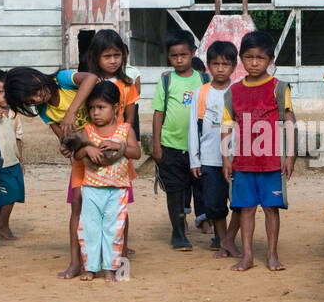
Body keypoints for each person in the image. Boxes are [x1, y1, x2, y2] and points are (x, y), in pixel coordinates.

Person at [2, 65, 98, 278]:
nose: (36, 99)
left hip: (103, 147)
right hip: (83, 157)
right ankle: (75, 262)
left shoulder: (62, 80)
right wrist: (66, 146)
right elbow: (64, 138)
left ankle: (112, 253)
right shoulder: (45, 111)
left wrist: (71, 112)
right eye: (30, 100)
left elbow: (91, 77)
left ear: (37, 77)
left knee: (110, 205)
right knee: (76, 205)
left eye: (35, 92)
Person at [221, 30, 295, 272]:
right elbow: (226, 126)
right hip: (242, 162)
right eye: (249, 57)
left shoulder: (279, 87)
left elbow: (290, 121)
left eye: (260, 58)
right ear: (241, 58)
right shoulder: (232, 92)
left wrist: (291, 155)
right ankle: (248, 256)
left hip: (271, 162)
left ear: (270, 60)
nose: (254, 63)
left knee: (272, 209)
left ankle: (272, 255)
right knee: (246, 209)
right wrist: (225, 159)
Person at [75, 81, 140, 281]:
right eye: (92, 108)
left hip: (118, 189)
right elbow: (76, 154)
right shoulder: (86, 130)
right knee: (89, 228)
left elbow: (136, 153)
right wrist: (87, 149)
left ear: (116, 108)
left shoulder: (125, 130)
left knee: (114, 230)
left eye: (101, 107)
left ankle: (110, 268)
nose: (96, 113)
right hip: (91, 188)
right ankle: (90, 267)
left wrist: (118, 146)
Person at [151, 30, 206, 250]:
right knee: (175, 191)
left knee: (204, 188)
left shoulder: (203, 79)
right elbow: (158, 113)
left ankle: (213, 228)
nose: (179, 59)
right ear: (169, 57)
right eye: (174, 56)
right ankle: (178, 233)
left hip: (199, 148)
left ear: (193, 53)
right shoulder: (166, 80)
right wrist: (156, 145)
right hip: (170, 146)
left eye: (184, 54)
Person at [188, 40, 240, 258]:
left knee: (239, 203)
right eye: (215, 64)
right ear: (208, 65)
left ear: (234, 66)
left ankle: (229, 239)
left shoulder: (239, 90)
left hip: (238, 159)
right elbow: (193, 128)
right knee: (215, 205)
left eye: (225, 64)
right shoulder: (201, 93)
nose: (220, 69)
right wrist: (195, 160)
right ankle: (221, 240)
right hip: (210, 158)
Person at [0, 70, 25, 241]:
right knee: (7, 195)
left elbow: (18, 138)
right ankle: (2, 227)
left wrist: (21, 160)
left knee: (13, 194)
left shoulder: (15, 113)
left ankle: (2, 226)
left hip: (13, 162)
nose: (4, 96)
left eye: (7, 92)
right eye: (0, 92)